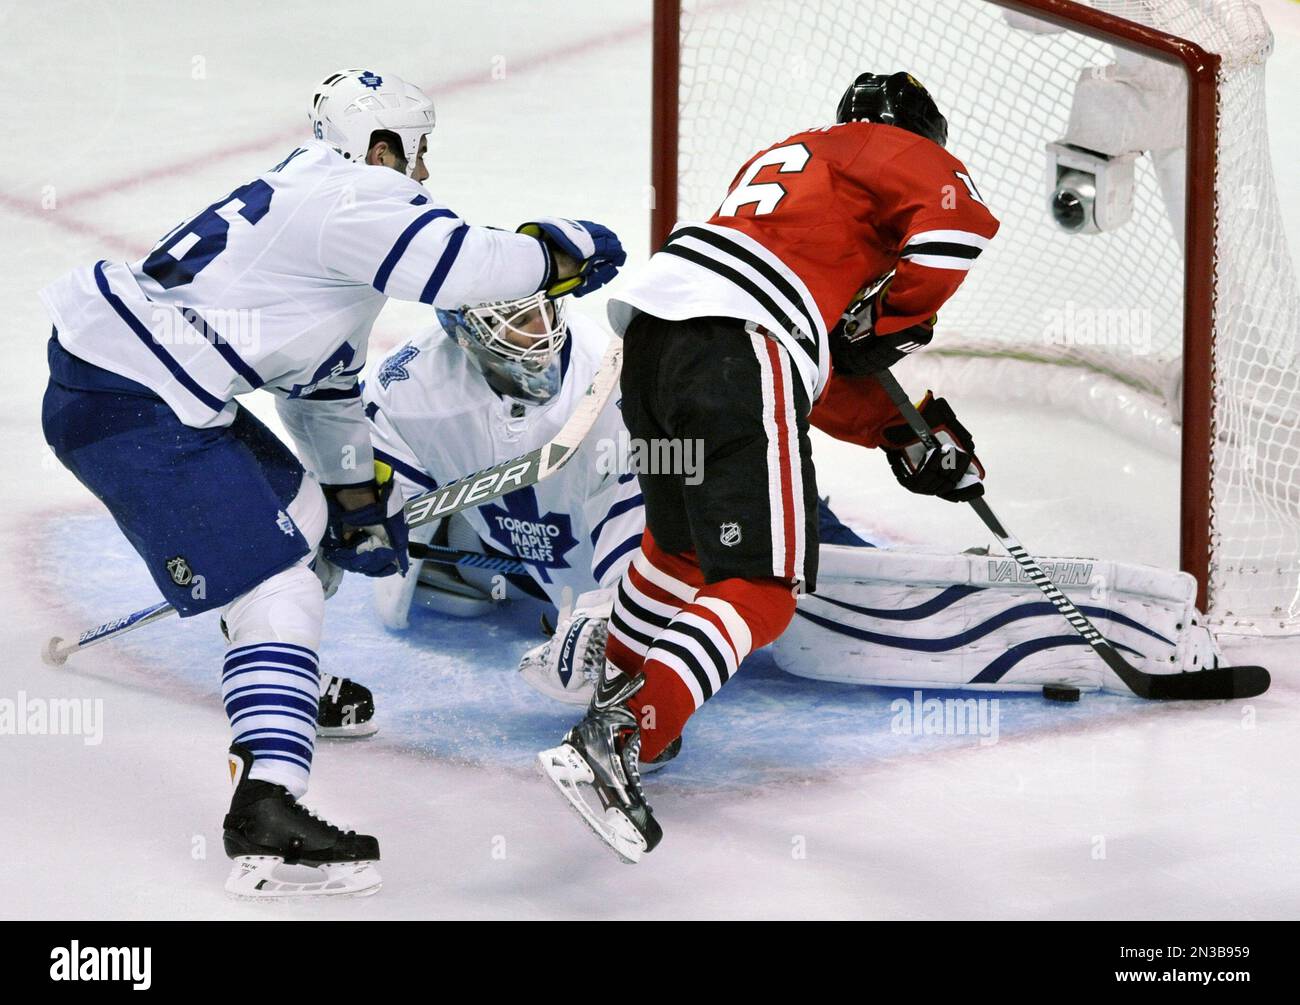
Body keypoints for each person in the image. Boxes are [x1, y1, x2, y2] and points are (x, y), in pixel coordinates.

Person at [39, 67, 625, 896]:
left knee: (303, 515)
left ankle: (286, 685)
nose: (423, 175)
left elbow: (320, 390)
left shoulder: (311, 215)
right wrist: (559, 252)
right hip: (141, 401)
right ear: (380, 145)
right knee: (277, 586)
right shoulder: (356, 192)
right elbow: (464, 265)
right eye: (416, 155)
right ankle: (267, 816)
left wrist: (355, 503)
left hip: (139, 383)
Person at [538, 71, 1000, 862]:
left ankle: (616, 694)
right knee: (761, 588)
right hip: (735, 347)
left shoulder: (796, 181)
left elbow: (792, 387)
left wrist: (907, 434)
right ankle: (619, 740)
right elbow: (960, 231)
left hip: (653, 349)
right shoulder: (890, 148)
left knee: (678, 552)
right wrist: (894, 315)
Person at [363, 292, 645, 705]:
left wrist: (612, 613)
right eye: (516, 317)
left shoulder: (617, 385)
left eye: (541, 309)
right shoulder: (407, 382)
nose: (541, 329)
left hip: (603, 559)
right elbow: (379, 504)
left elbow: (653, 525)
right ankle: (454, 569)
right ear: (464, 329)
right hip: (502, 557)